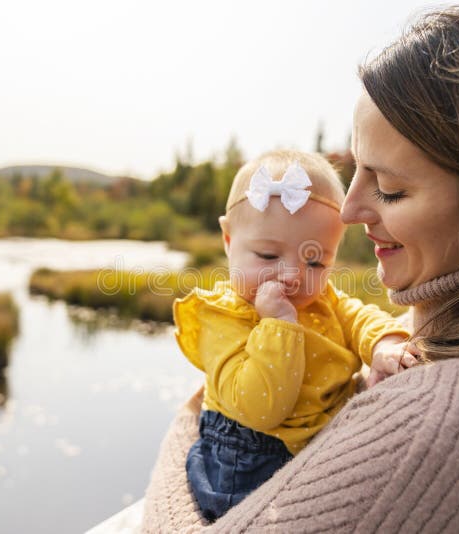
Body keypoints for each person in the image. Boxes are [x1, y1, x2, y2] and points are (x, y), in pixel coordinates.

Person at [141, 1, 459, 532]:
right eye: (356, 171)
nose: (351, 211)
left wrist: (191, 419)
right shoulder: (433, 350)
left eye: (390, 188)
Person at [174, 149, 414, 521]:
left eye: (315, 261)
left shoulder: (323, 299)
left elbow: (361, 317)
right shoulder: (223, 315)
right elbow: (261, 408)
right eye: (268, 256)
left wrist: (385, 344)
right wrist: (280, 324)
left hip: (321, 443)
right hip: (247, 458)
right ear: (227, 239)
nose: (291, 275)